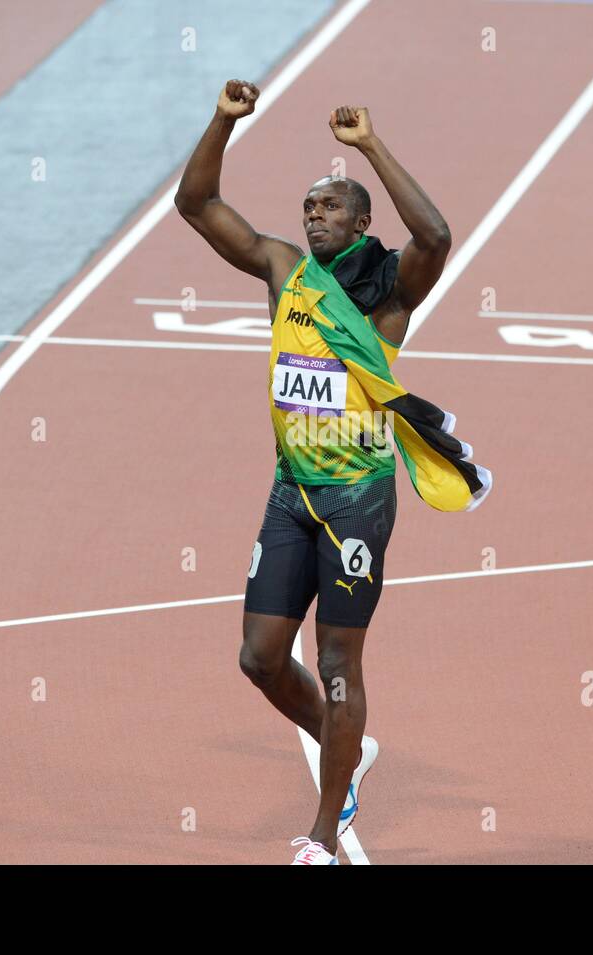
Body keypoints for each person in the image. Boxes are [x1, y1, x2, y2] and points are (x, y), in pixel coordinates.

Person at [175, 79, 490, 865]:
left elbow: (439, 234)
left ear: (360, 222)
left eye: (330, 205)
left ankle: (323, 829)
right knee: (258, 657)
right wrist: (222, 121)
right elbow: (196, 202)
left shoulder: (390, 295)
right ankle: (343, 743)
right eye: (309, 204)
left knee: (338, 659)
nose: (313, 213)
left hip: (357, 501)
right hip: (291, 493)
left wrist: (369, 147)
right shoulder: (284, 271)